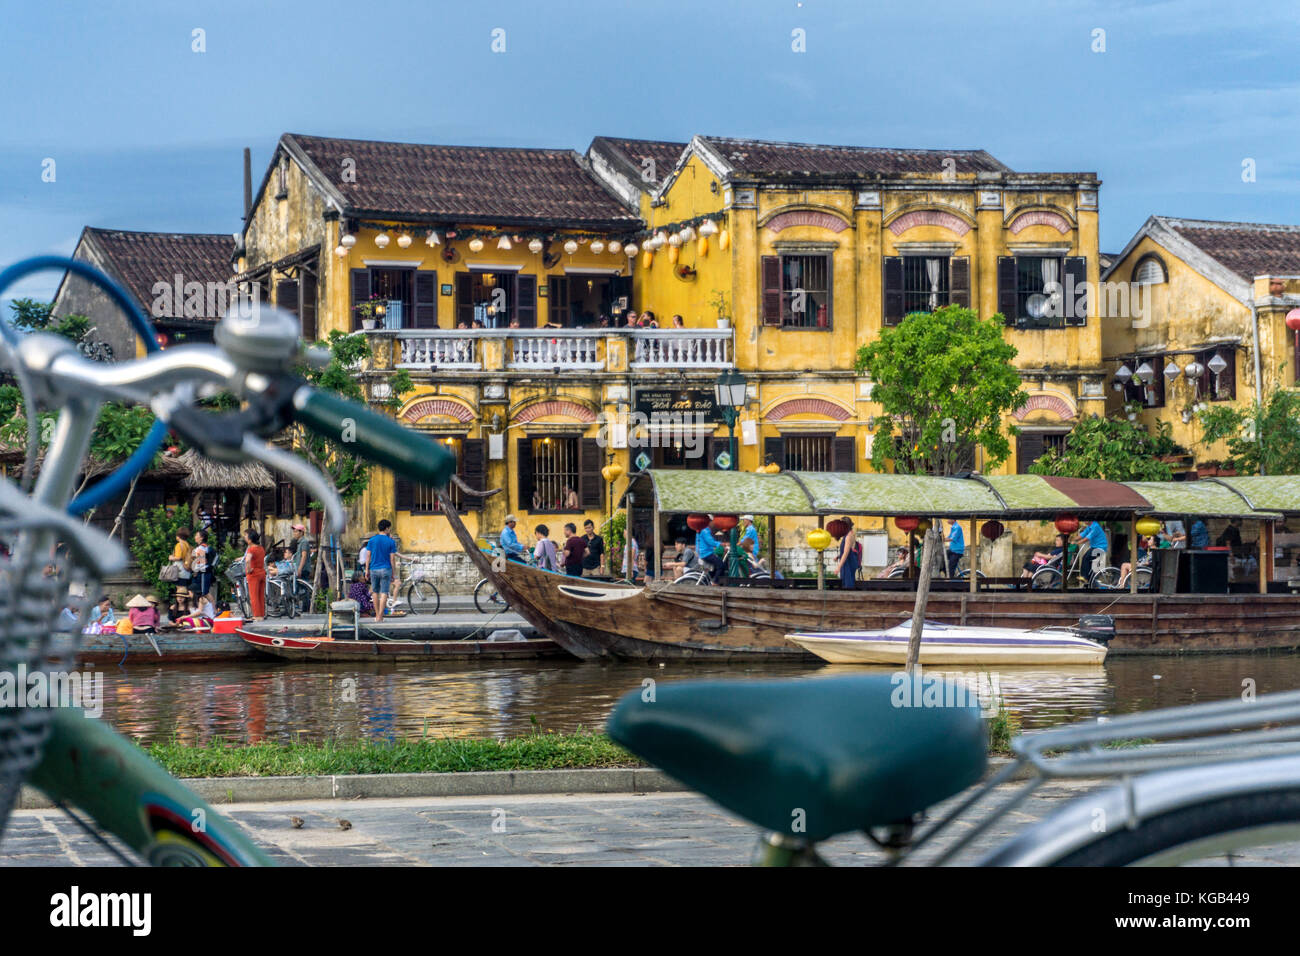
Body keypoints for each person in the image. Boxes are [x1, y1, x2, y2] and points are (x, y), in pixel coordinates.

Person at [364, 519, 399, 623]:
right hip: (386, 569)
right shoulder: (391, 541)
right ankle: (380, 617)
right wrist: (394, 573)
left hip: (374, 569)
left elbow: (368, 556)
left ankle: (377, 617)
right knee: (384, 592)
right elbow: (392, 559)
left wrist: (366, 570)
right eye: (389, 528)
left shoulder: (372, 540)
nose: (390, 530)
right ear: (387, 528)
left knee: (375, 592)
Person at [243, 528, 266, 620]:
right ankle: (261, 615)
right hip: (261, 572)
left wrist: (248, 570)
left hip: (254, 574)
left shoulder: (251, 549)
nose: (244, 537)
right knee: (260, 595)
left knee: (254, 596)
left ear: (250, 539)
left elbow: (248, 560)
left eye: (245, 536)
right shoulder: (261, 548)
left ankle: (256, 616)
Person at [834, 517, 861, 589]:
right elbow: (849, 550)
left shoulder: (848, 536)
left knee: (847, 584)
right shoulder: (849, 534)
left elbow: (846, 553)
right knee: (847, 582)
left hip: (848, 563)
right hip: (848, 561)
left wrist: (838, 567)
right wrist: (839, 556)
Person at [191, 529, 214, 603]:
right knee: (202, 592)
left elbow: (201, 561)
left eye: (197, 535)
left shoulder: (201, 547)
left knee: (205, 593)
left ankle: (214, 611)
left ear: (202, 537)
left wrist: (196, 570)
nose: (195, 537)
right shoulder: (203, 547)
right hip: (204, 572)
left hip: (204, 572)